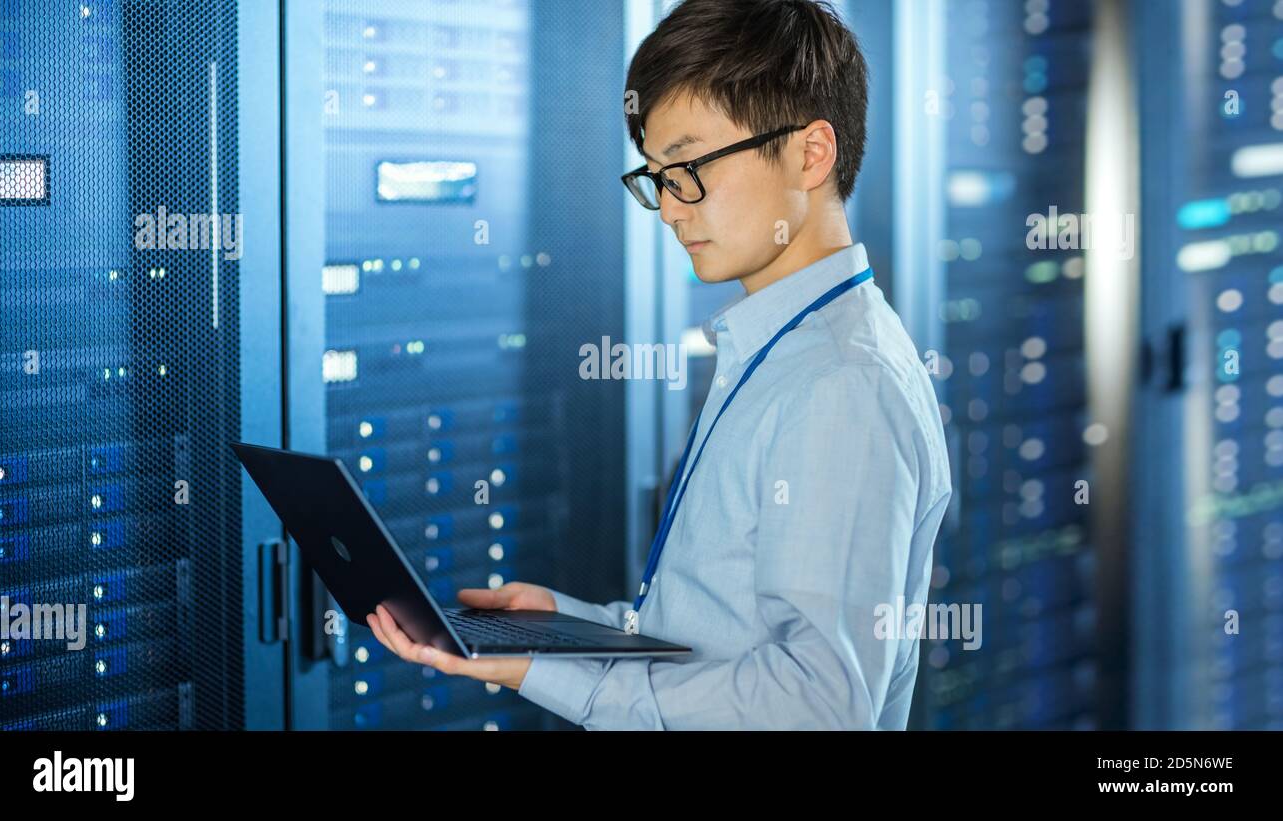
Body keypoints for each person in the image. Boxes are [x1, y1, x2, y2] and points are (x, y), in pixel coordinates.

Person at [367, 0, 952, 730]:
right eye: (658, 176)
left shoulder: (842, 381)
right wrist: (565, 628)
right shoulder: (781, 348)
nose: (671, 208)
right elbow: (720, 637)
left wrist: (556, 673)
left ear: (811, 153)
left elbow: (818, 704)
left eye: (690, 167)